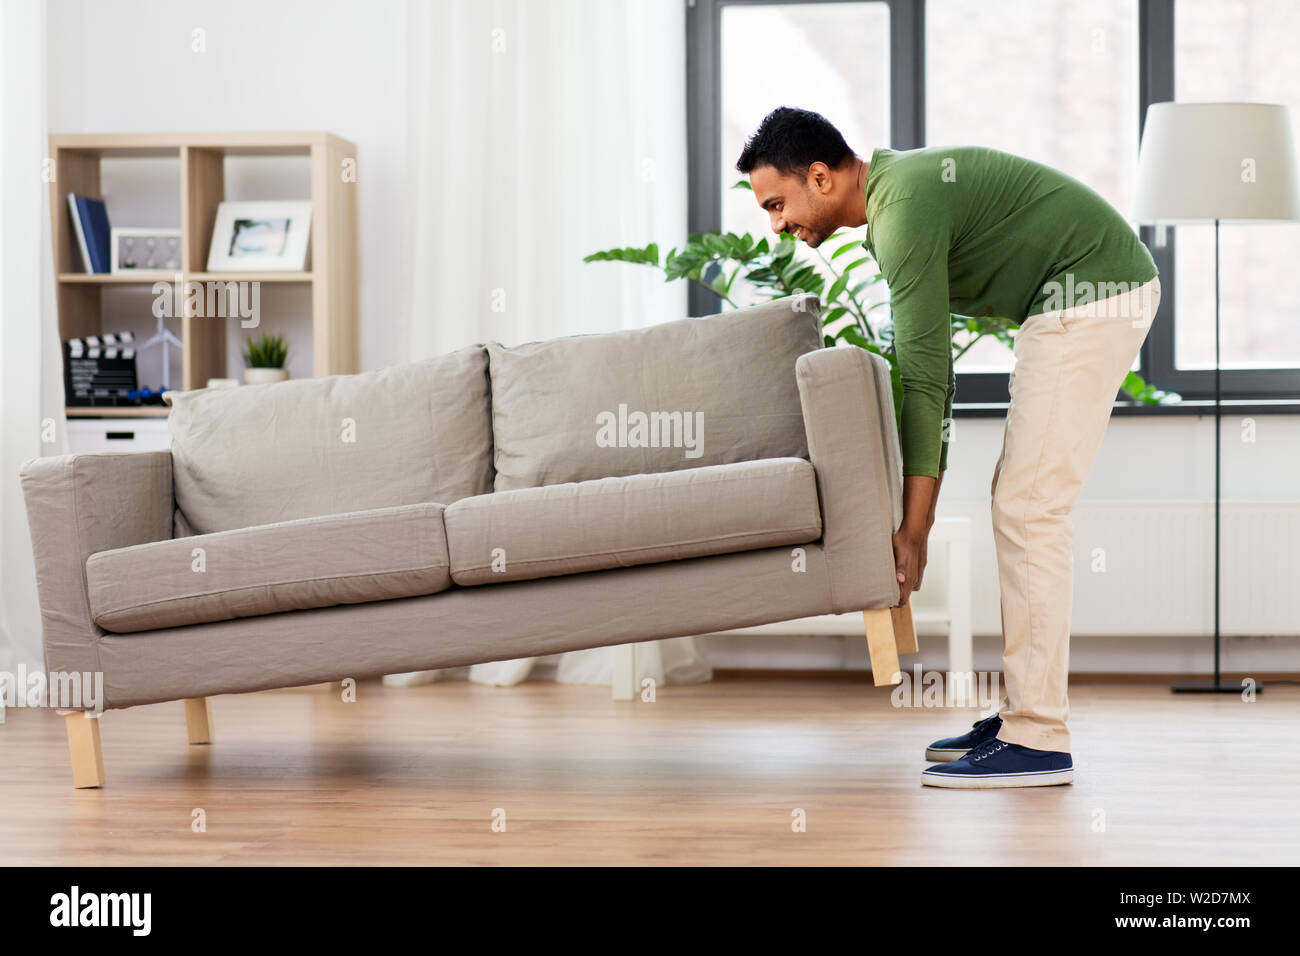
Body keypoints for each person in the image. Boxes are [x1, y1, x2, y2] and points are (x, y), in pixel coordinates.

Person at [736, 107, 1159, 788]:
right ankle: (1026, 713)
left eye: (778, 204)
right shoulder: (897, 203)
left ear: (820, 176)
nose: (777, 225)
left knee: (1029, 509)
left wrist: (915, 529)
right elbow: (921, 371)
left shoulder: (903, 212)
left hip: (1095, 292)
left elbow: (929, 379)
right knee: (1021, 504)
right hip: (1076, 298)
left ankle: (1039, 737)